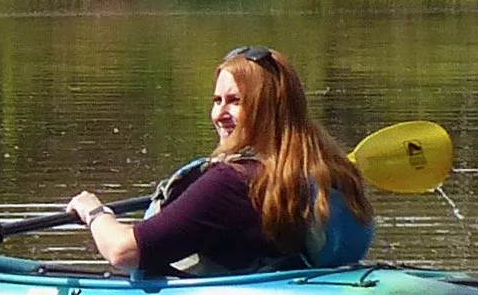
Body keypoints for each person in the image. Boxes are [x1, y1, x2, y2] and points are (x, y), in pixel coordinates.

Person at [63, 44, 373, 277]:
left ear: (266, 108)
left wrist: (94, 211)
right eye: (216, 101)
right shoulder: (324, 172)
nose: (219, 114)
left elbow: (123, 251)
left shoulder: (232, 183)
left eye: (235, 101)